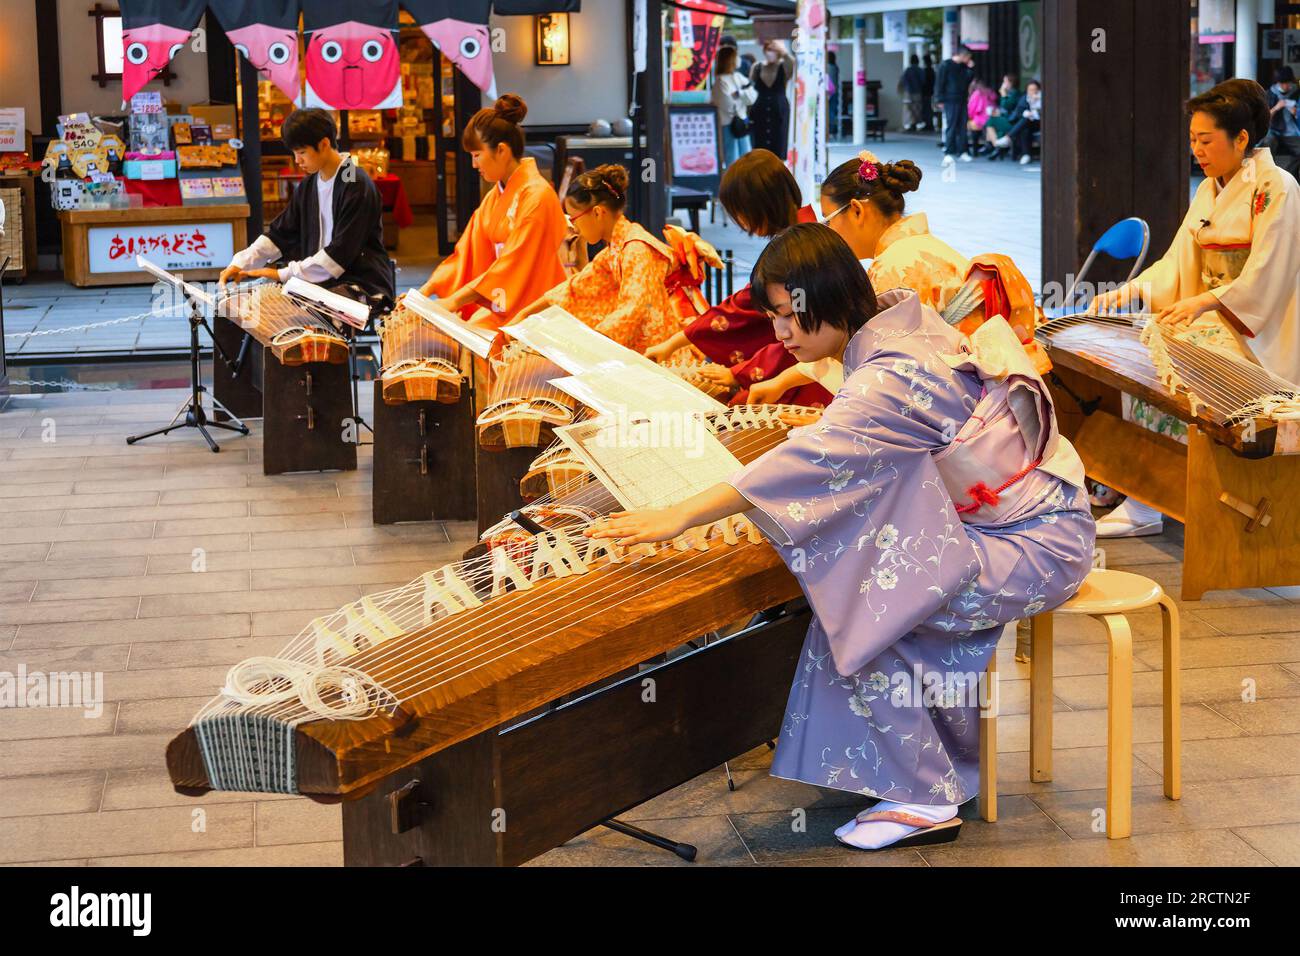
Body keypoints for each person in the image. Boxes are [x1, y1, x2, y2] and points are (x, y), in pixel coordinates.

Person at [590, 223, 1095, 851]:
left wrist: (680, 515)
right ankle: (935, 768)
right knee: (865, 583)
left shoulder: (887, 377)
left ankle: (926, 794)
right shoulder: (901, 324)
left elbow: (813, 457)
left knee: (867, 604)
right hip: (1026, 520)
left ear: (816, 298)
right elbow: (843, 437)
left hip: (1034, 545)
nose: (778, 333)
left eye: (783, 316)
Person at [1091, 78, 1300, 537]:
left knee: (1177, 363)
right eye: (1192, 141)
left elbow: (1268, 272)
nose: (1197, 151)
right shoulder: (1209, 189)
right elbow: (1178, 258)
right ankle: (1141, 488)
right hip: (1213, 313)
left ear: (1241, 138)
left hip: (1253, 327)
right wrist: (1130, 292)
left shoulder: (1276, 187)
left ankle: (1152, 498)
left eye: (1206, 141)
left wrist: (1206, 301)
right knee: (1147, 353)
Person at [754, 151, 969, 401]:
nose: (828, 231)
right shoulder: (919, 249)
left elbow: (872, 364)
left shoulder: (894, 268)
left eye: (829, 220)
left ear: (856, 210)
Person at [643, 149, 830, 408]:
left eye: (739, 211)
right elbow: (744, 306)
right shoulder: (805, 236)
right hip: (802, 364)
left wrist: (739, 372)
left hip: (810, 376)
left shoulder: (798, 251)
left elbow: (793, 328)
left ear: (760, 205)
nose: (739, 221)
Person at [220, 108, 393, 311]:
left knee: (285, 319)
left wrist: (280, 274)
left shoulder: (354, 182)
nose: (297, 160)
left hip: (360, 284)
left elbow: (340, 253)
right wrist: (243, 261)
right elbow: (281, 232)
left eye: (302, 152)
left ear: (324, 144)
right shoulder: (310, 183)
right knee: (240, 309)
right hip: (317, 282)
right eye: (294, 153)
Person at [418, 94, 567, 329]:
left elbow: (513, 264)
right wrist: (426, 291)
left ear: (502, 151)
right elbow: (466, 253)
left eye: (477, 155)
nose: (474, 165)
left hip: (535, 306)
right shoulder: (495, 196)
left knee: (467, 336)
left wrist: (455, 300)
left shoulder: (537, 197)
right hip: (506, 299)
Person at [510, 165, 681, 353]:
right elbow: (575, 288)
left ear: (598, 213)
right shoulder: (617, 247)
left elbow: (633, 309)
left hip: (659, 354)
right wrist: (525, 313)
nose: (574, 227)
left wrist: (586, 346)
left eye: (574, 219)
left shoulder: (635, 248)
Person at [749, 40, 796, 160]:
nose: (770, 53)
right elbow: (749, 86)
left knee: (779, 143)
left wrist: (784, 52)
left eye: (774, 50)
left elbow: (792, 65)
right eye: (768, 49)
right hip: (759, 111)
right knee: (760, 145)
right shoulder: (757, 67)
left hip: (779, 110)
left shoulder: (783, 67)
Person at [713, 46, 757, 167]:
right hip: (728, 123)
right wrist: (742, 98)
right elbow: (726, 103)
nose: (738, 59)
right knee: (732, 158)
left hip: (742, 122)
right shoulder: (720, 81)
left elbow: (752, 96)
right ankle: (734, 184)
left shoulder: (738, 77)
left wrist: (738, 94)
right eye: (735, 56)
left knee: (747, 156)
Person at [936, 45, 975, 165]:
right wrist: (939, 99)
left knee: (962, 126)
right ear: (963, 55)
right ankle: (948, 153)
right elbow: (939, 83)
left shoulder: (964, 67)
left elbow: (968, 81)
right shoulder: (946, 65)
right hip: (949, 99)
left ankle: (963, 151)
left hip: (962, 99)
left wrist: (971, 69)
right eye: (968, 57)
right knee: (951, 125)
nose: (969, 60)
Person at [994, 80, 1042, 166]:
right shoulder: (1025, 98)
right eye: (1030, 89)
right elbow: (1020, 111)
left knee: (1026, 120)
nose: (1032, 92)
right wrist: (1028, 111)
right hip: (1027, 123)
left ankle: (1008, 138)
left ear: (1038, 90)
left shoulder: (1042, 98)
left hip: (1039, 124)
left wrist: (1036, 105)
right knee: (1025, 128)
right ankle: (1026, 155)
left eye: (1034, 89)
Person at [1266, 66, 1300, 180]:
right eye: (1282, 83)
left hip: (1291, 132)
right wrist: (1276, 107)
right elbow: (1264, 117)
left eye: (1287, 83)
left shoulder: (1296, 92)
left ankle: (1289, 176)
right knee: (1267, 144)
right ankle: (1269, 176)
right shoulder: (1270, 93)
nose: (1285, 86)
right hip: (1274, 130)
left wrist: (1296, 113)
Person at [984, 74, 1022, 160]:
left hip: (1014, 122)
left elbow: (1006, 105)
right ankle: (998, 148)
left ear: (1011, 83)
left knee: (991, 121)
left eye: (1005, 81)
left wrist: (1003, 94)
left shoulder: (1014, 93)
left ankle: (996, 145)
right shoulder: (1011, 92)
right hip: (1009, 119)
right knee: (997, 126)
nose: (1003, 84)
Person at [966, 78, 999, 154]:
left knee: (971, 127)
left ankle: (974, 149)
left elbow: (971, 108)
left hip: (979, 120)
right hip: (991, 118)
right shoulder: (990, 91)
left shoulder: (976, 94)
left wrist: (969, 117)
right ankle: (988, 146)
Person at [899, 54, 927, 132]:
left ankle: (909, 125)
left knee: (908, 109)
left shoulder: (908, 70)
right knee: (918, 109)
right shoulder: (920, 70)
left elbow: (904, 81)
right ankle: (917, 124)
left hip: (908, 93)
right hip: (918, 92)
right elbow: (923, 81)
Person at [826, 50, 841, 140]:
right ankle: (833, 129)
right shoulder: (835, 67)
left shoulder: (826, 67)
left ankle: (830, 130)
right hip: (835, 92)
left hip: (828, 92)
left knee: (829, 112)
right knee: (833, 111)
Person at [921, 53, 937, 133]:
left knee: (927, 108)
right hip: (930, 91)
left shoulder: (927, 71)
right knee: (928, 108)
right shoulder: (931, 70)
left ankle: (929, 124)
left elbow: (924, 82)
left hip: (926, 92)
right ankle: (928, 123)